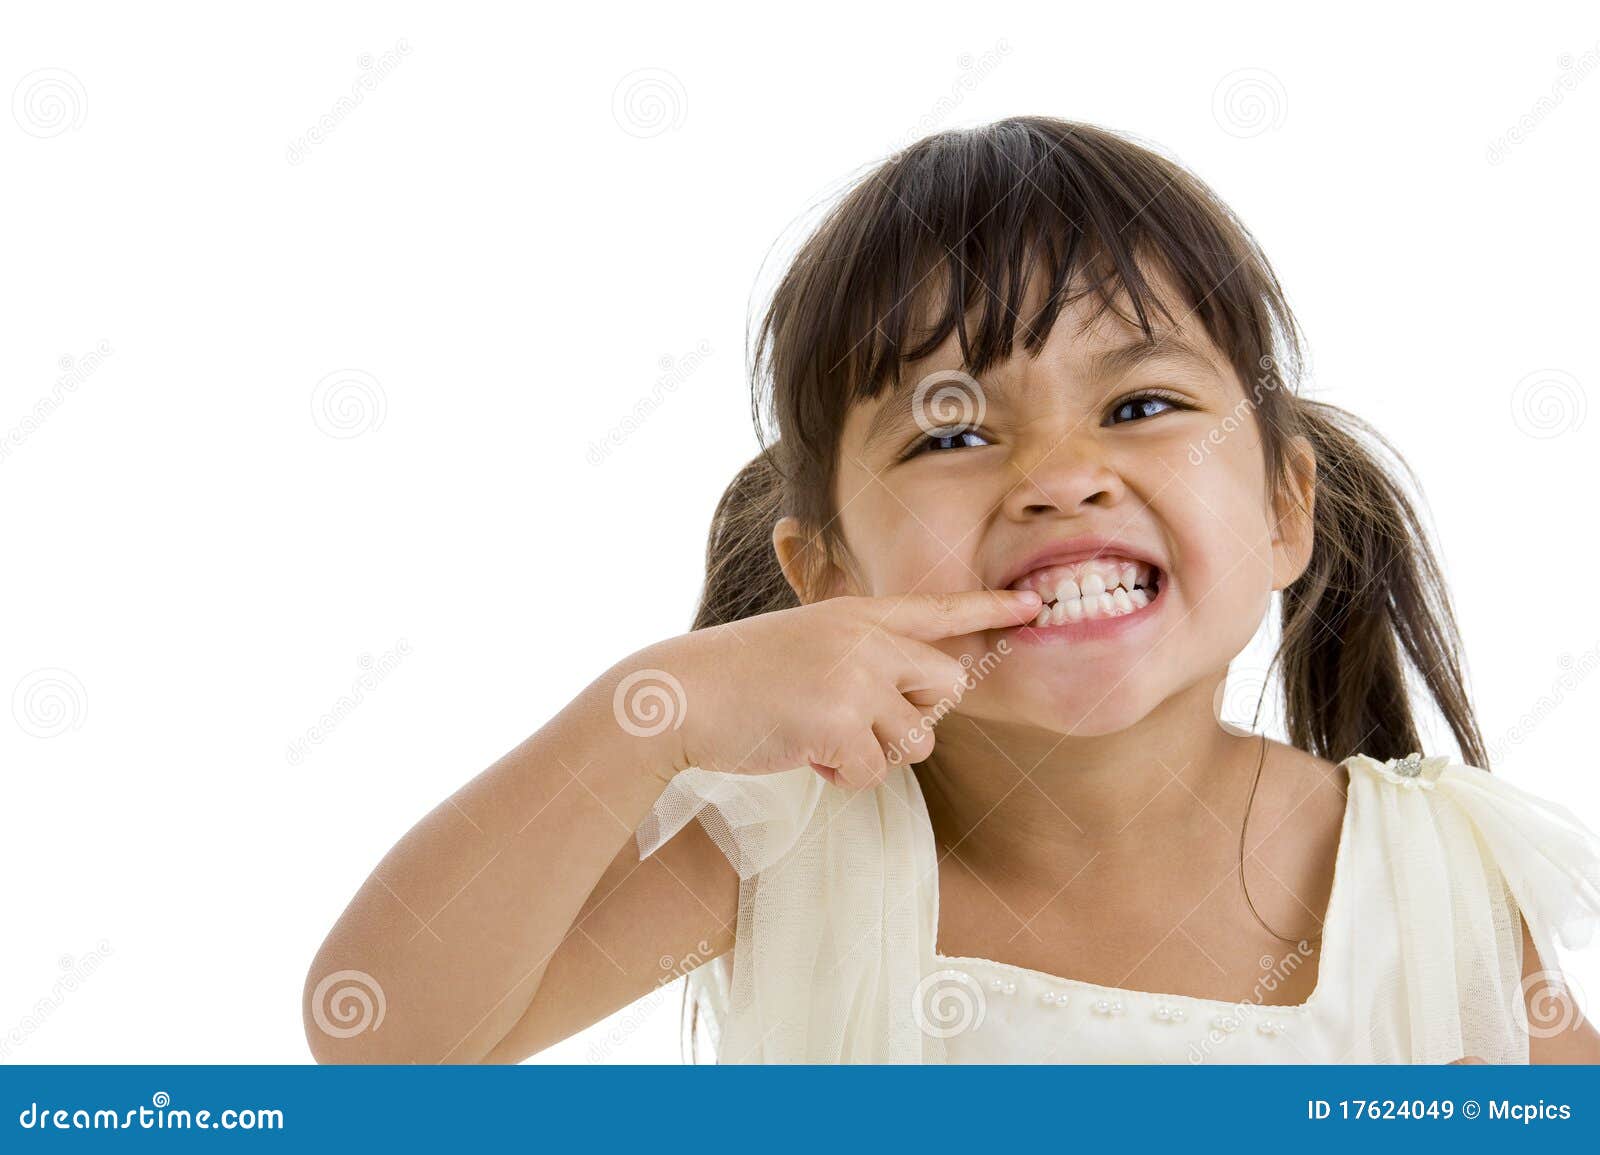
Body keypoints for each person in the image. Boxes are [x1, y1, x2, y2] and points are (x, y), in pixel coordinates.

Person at [304, 116, 1600, 1064]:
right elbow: (385, 1049)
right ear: (826, 577)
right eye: (952, 432)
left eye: (1141, 405)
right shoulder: (785, 852)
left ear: (1281, 510)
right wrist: (652, 709)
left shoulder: (1433, 880)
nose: (1059, 477)